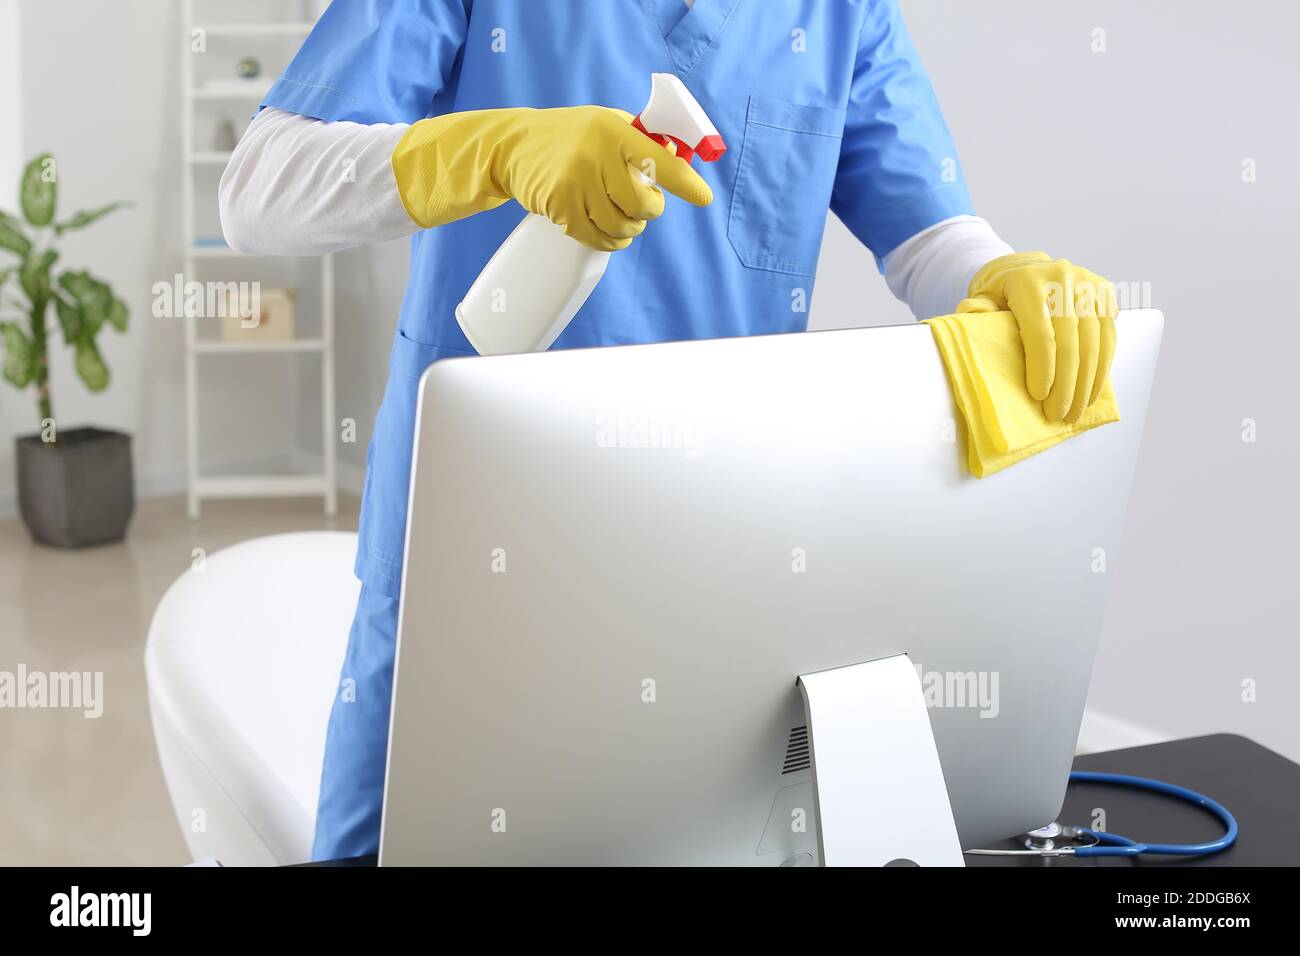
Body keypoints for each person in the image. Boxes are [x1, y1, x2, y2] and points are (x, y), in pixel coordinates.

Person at [219, 0, 1118, 862]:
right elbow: (258, 190)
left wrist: (1000, 275)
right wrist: (491, 149)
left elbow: (927, 235)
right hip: (470, 544)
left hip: (708, 562)